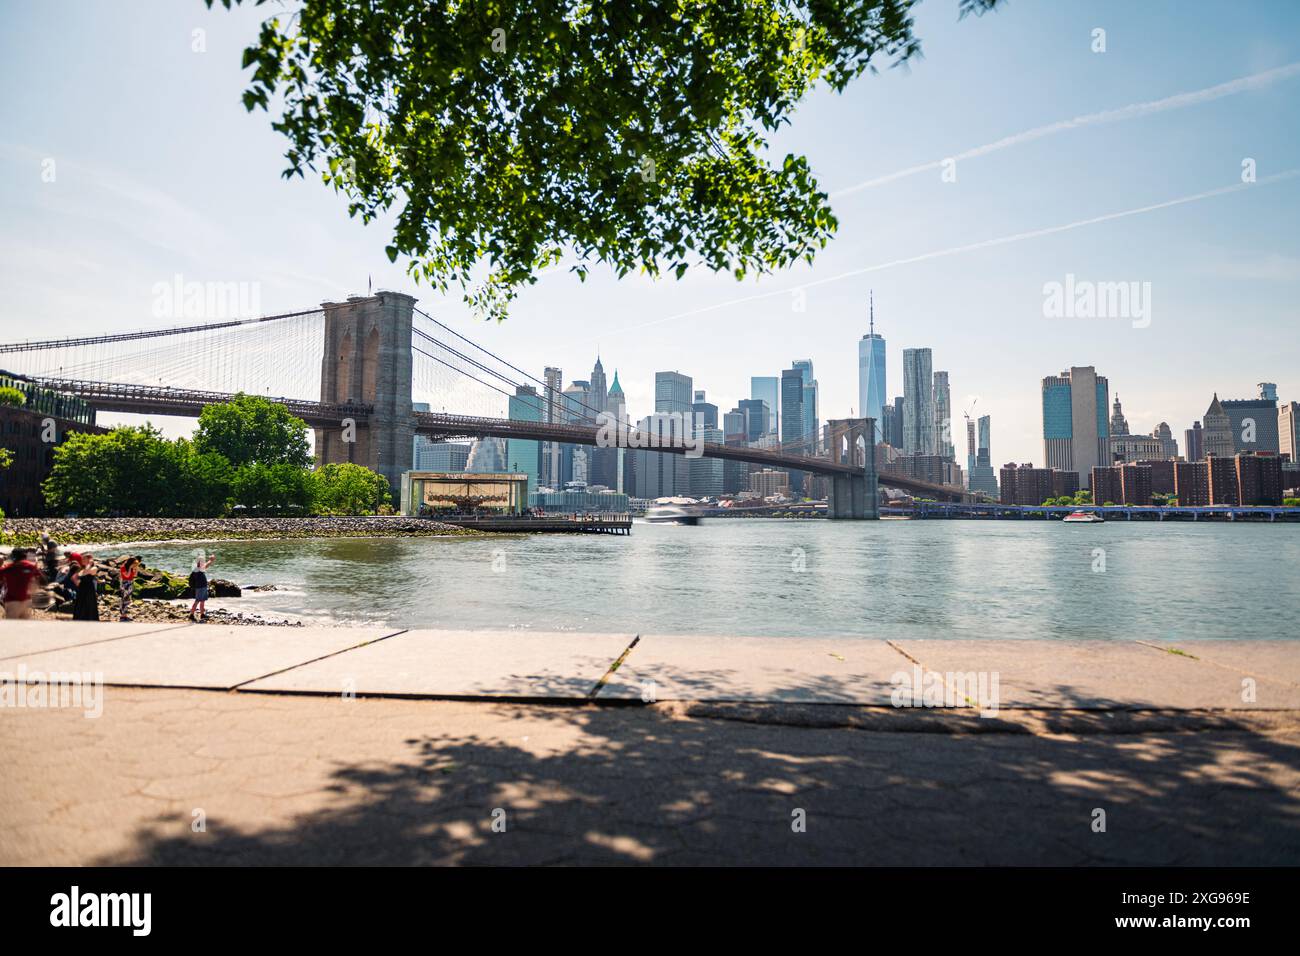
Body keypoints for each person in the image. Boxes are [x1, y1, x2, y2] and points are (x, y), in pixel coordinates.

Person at [1, 548, 45, 621]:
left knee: (11, 627)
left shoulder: (9, 568)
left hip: (12, 601)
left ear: (13, 557)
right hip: (27, 601)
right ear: (25, 556)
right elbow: (43, 580)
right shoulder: (31, 567)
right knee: (25, 627)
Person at [70, 554, 100, 622]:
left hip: (89, 590)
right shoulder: (81, 569)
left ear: (89, 559)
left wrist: (89, 564)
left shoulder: (94, 568)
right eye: (82, 559)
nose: (82, 560)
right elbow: (73, 577)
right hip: (81, 589)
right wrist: (77, 582)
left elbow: (86, 572)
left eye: (84, 559)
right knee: (80, 607)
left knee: (89, 606)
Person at [188, 553, 215, 622]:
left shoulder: (198, 568)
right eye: (202, 561)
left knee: (202, 601)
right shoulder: (198, 569)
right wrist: (211, 560)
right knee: (197, 601)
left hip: (202, 587)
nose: (203, 562)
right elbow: (206, 565)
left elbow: (205, 566)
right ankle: (191, 615)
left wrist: (210, 560)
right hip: (200, 588)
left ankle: (202, 614)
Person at [118, 556, 142, 622]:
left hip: (130, 583)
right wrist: (130, 569)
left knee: (127, 600)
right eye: (134, 564)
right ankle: (123, 615)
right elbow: (127, 576)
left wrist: (136, 568)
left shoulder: (131, 568)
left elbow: (135, 575)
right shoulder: (123, 567)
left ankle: (124, 615)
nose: (135, 566)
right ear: (131, 563)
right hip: (125, 584)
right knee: (124, 599)